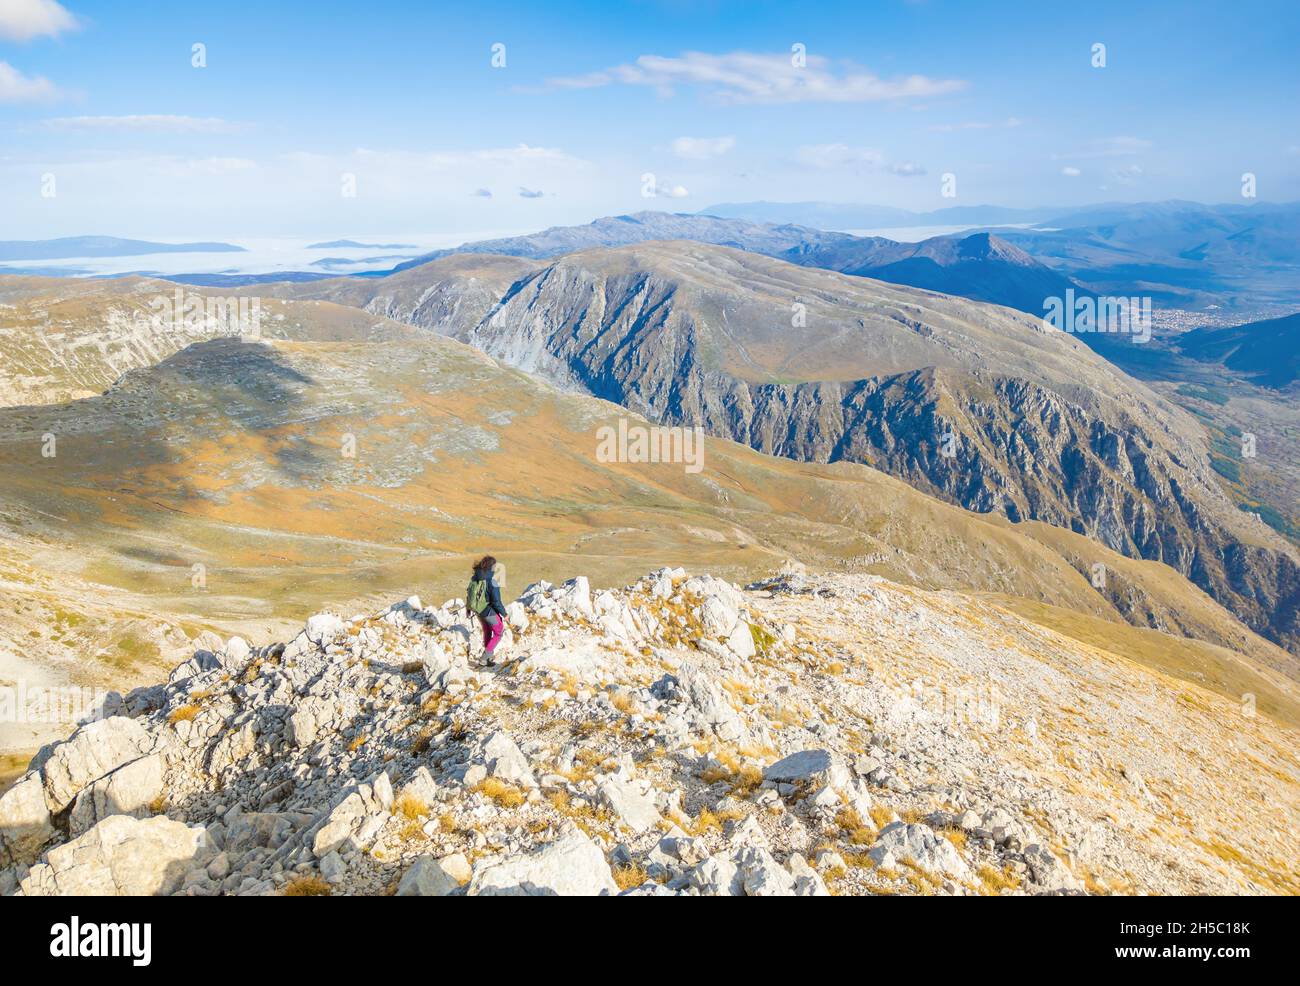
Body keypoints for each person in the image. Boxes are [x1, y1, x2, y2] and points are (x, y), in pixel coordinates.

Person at [466, 555, 509, 664]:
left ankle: (487, 658)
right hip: (487, 611)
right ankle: (485, 658)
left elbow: (469, 594)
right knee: (499, 631)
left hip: (477, 610)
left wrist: (468, 608)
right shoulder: (492, 581)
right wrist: (505, 614)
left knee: (487, 630)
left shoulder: (475, 577)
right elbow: (496, 602)